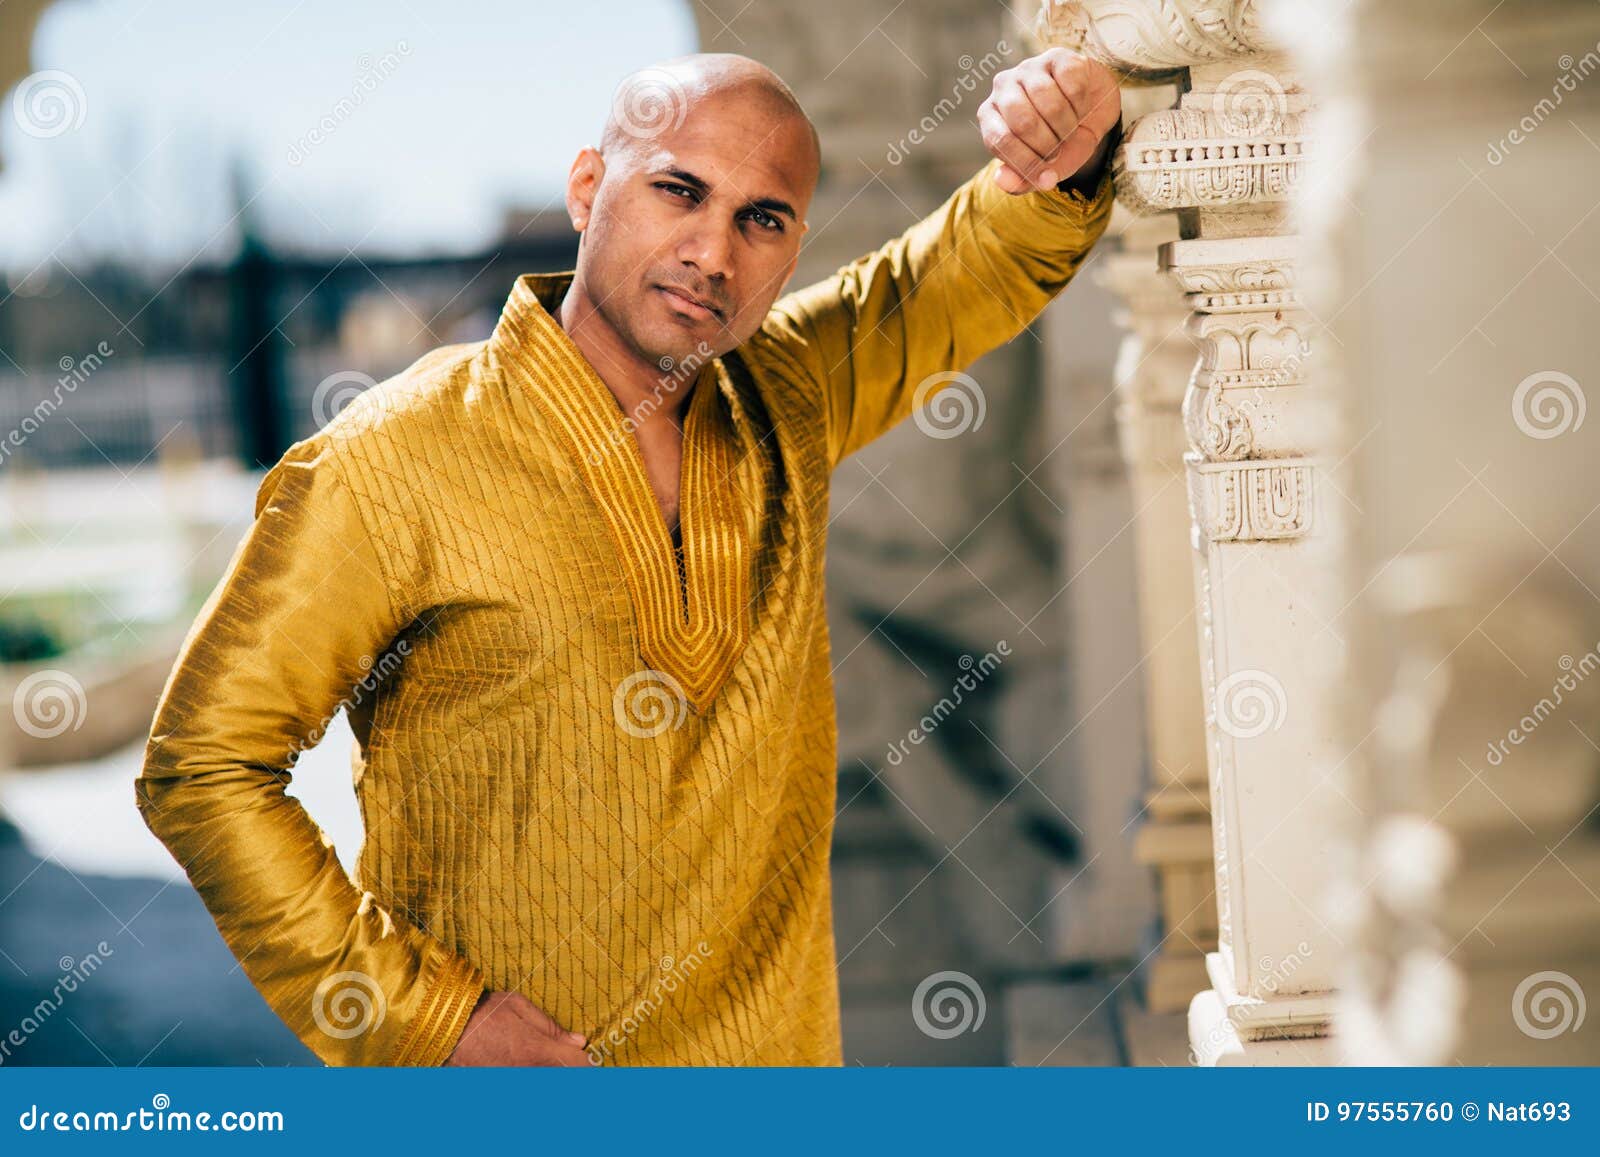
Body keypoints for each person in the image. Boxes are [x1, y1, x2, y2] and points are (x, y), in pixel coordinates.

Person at [136, 48, 1121, 1066]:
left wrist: (1062, 153)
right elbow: (203, 765)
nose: (713, 251)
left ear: (789, 255)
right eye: (678, 190)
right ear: (585, 188)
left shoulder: (784, 395)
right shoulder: (390, 460)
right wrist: (422, 1013)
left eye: (762, 218)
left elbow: (943, 282)